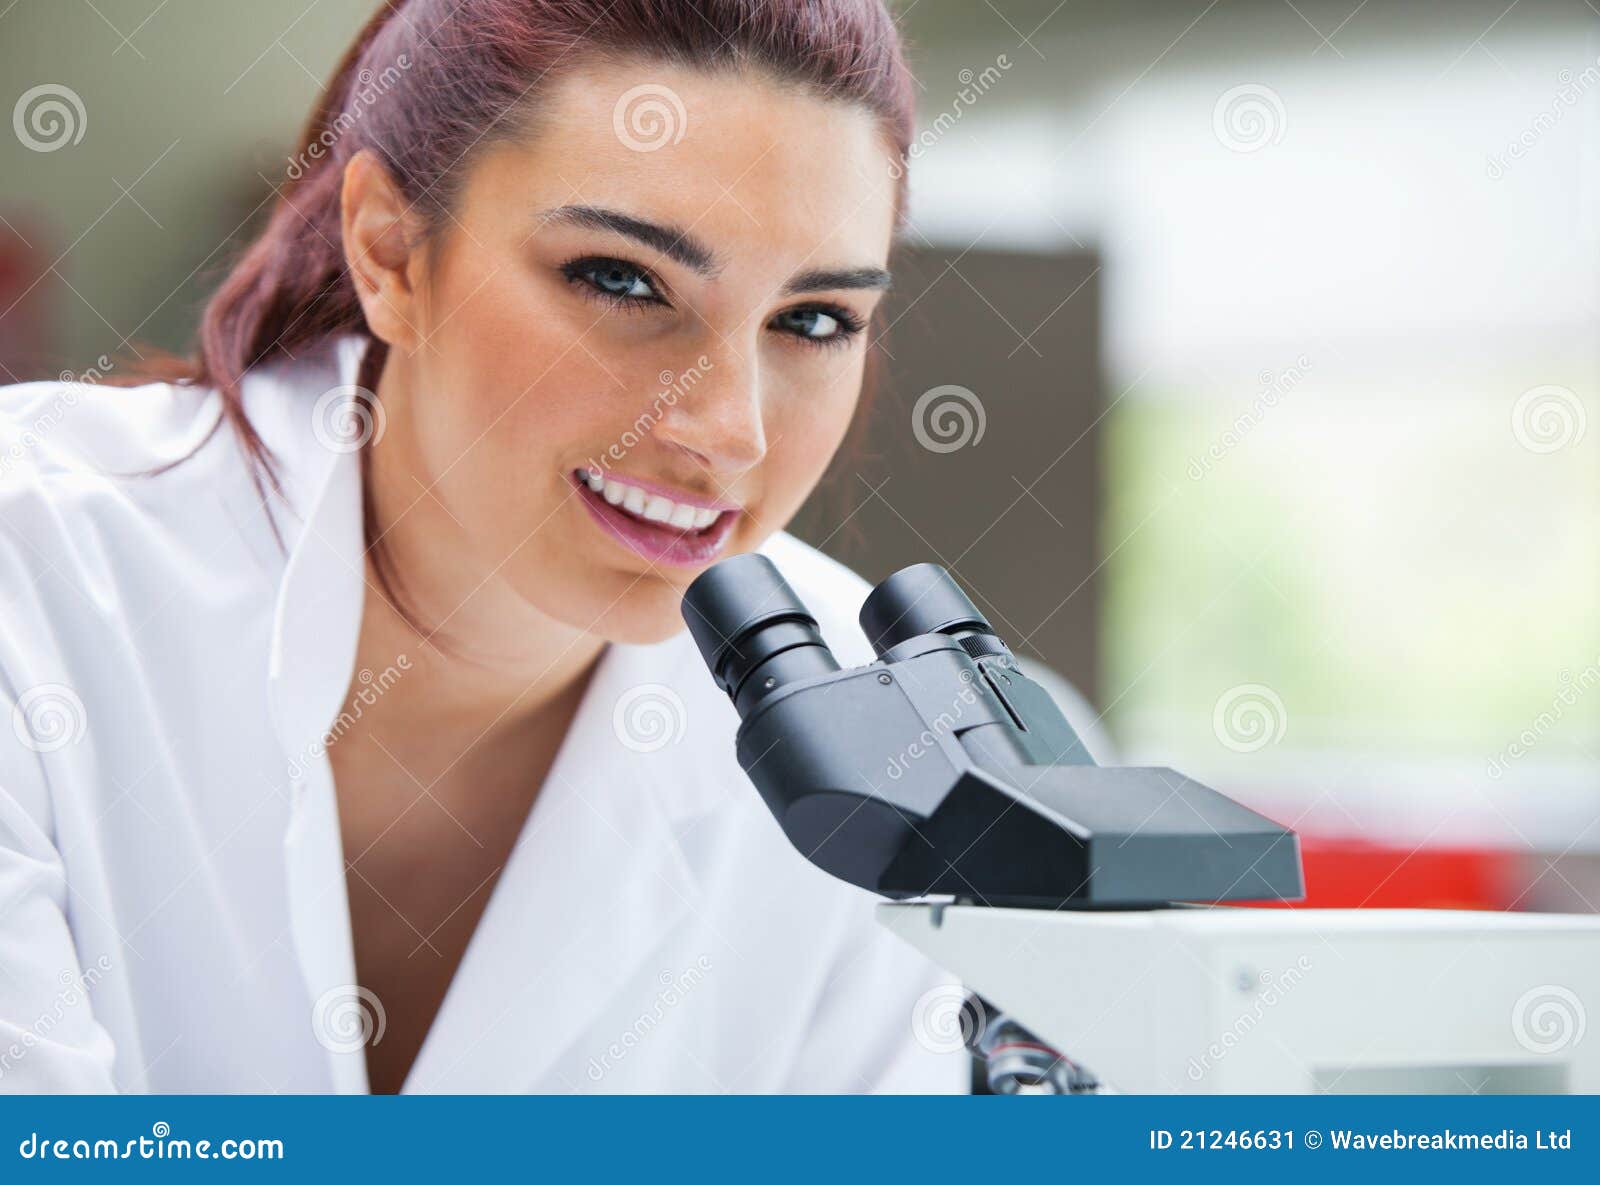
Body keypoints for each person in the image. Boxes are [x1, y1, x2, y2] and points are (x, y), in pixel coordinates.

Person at [0, 0, 983, 1094]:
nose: (729, 430)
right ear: (390, 253)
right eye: (620, 279)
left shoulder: (892, 743)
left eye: (812, 321)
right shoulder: (30, 561)